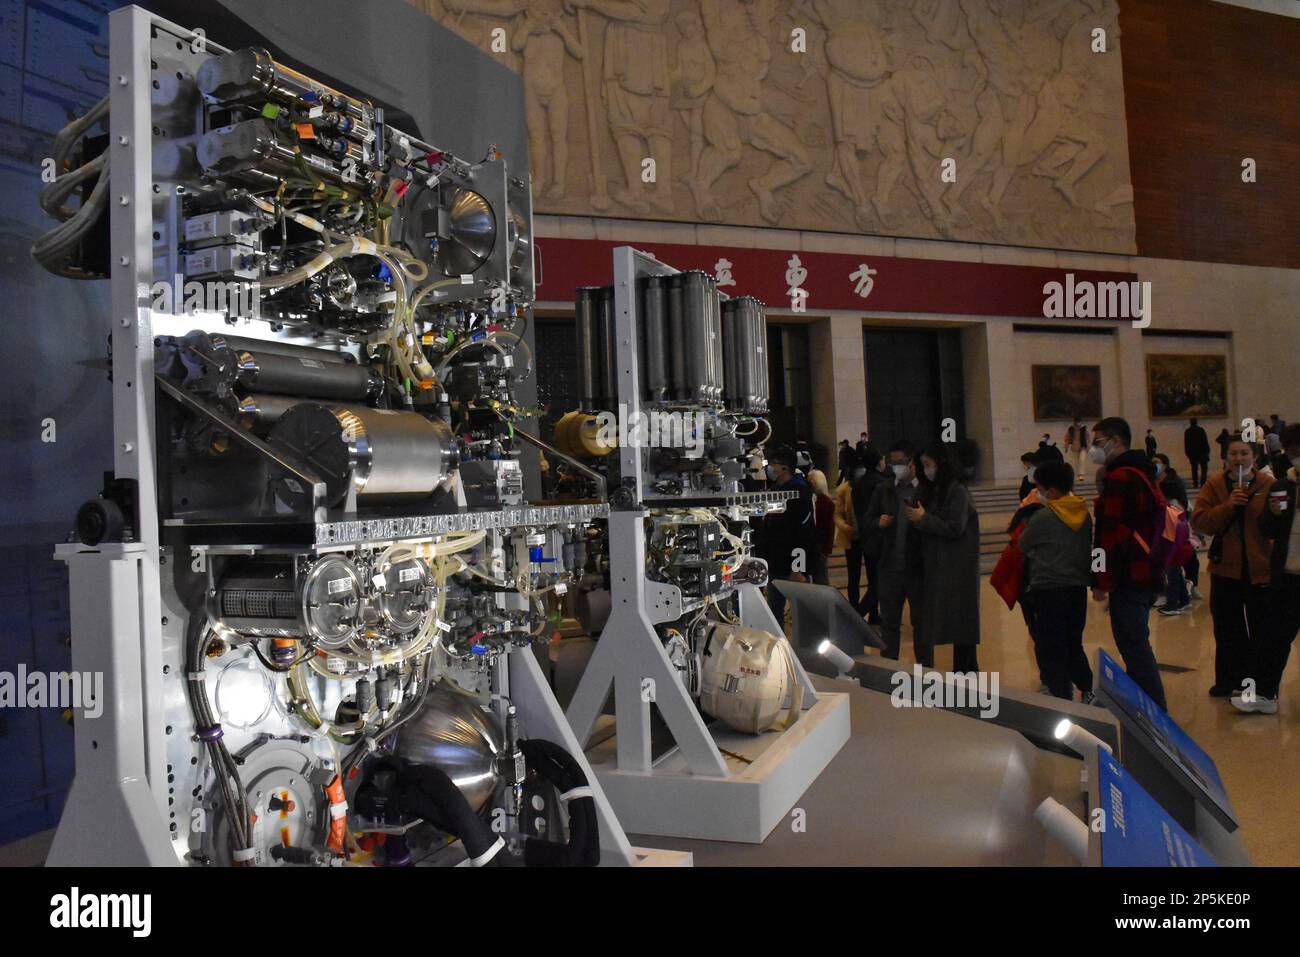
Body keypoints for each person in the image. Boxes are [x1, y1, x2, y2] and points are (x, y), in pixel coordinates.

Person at [1090, 416, 1168, 709]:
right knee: (1135, 641)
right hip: (1145, 570)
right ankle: (1143, 706)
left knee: (1133, 644)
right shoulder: (1143, 472)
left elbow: (1108, 535)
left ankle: (1156, 711)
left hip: (1129, 574)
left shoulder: (1121, 477)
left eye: (1097, 442)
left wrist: (1098, 578)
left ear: (1116, 441)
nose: (1094, 449)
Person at [1192, 435, 1275, 698]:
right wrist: (1228, 506)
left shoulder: (1267, 484)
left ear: (1255, 457)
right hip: (1225, 567)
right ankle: (1230, 679)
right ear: (1226, 458)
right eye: (1234, 454)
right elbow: (1201, 521)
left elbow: (1278, 523)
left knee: (1262, 629)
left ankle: (1260, 685)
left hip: (1260, 566)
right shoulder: (1215, 484)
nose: (1238, 459)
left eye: (1244, 454)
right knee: (1228, 627)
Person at [1234, 425, 1300, 713]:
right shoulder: (1283, 486)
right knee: (1275, 637)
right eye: (1292, 452)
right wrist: (1275, 511)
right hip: (1288, 575)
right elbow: (1266, 527)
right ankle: (1263, 693)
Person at [1019, 459, 1094, 700]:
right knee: (1074, 642)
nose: (1037, 494)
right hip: (1077, 587)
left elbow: (1023, 544)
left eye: (1039, 489)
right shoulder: (1084, 513)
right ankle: (1088, 689)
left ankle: (1061, 695)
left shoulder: (1044, 517)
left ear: (1050, 491)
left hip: (1048, 588)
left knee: (1052, 644)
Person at [907, 444, 981, 673]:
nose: (925, 470)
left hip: (958, 568)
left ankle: (966, 673)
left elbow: (955, 527)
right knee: (939, 622)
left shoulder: (957, 491)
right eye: (923, 466)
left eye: (929, 465)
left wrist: (923, 518)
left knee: (962, 626)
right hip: (936, 566)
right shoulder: (931, 490)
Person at [865, 440, 930, 666]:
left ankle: (926, 674)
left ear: (912, 463)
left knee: (922, 625)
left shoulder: (924, 489)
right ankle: (889, 671)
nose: (896, 467)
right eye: (892, 463)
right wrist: (878, 521)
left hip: (917, 568)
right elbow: (868, 519)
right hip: (889, 567)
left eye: (900, 462)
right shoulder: (884, 488)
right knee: (889, 625)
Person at [758, 447, 826, 629]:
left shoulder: (800, 493)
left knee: (804, 614)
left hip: (793, 565)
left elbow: (804, 534)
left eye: (773, 464)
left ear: (784, 468)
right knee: (774, 611)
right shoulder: (775, 490)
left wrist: (799, 568)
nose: (769, 468)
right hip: (775, 562)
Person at [1151, 453, 1192, 615]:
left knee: (1172, 564)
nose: (1155, 466)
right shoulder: (1164, 481)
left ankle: (1173, 602)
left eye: (1157, 463)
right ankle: (1183, 599)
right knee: (1173, 564)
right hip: (1171, 526)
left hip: (1174, 527)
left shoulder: (1169, 483)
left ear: (1165, 465)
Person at [851, 446, 887, 622]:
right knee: (880, 582)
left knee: (873, 577)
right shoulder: (882, 483)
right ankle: (858, 615)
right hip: (881, 535)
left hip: (866, 536)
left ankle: (873, 614)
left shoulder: (858, 484)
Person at [833, 469, 859, 607]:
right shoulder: (843, 489)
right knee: (853, 576)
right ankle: (855, 608)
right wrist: (845, 527)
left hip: (865, 536)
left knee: (872, 577)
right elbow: (837, 514)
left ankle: (870, 611)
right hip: (850, 536)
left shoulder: (866, 485)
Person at [807, 468, 836, 564]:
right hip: (811, 542)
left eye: (812, 480)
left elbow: (830, 527)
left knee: (821, 574)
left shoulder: (827, 502)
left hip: (821, 543)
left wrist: (827, 548)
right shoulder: (808, 499)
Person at [1184, 417, 1211, 488]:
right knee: (1204, 469)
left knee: (1194, 469)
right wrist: (1207, 451)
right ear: (1196, 422)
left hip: (1193, 454)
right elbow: (1205, 441)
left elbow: (1186, 443)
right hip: (1202, 453)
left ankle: (1195, 484)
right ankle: (1203, 483)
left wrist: (1187, 453)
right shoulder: (1201, 430)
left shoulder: (1187, 431)